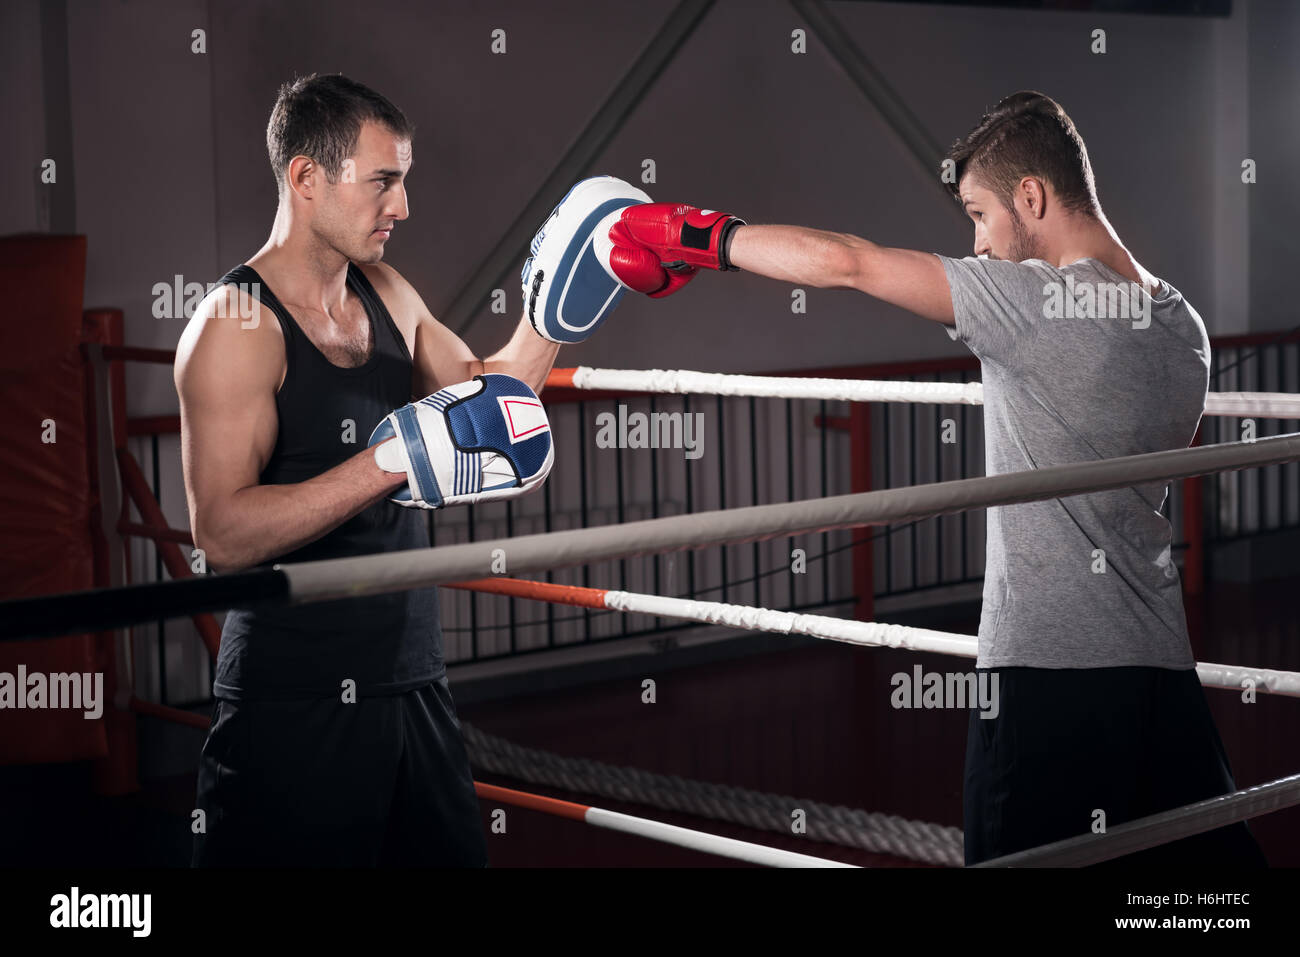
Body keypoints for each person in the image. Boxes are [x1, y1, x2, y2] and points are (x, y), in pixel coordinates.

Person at [605, 91, 1267, 867]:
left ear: (1033, 196)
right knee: (1200, 903)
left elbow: (847, 262)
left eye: (981, 215)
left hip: (1042, 677)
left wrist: (701, 237)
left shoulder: (1030, 306)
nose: (978, 244)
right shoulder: (1182, 325)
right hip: (1159, 669)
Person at [176, 73, 567, 866]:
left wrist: (565, 301)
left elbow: (485, 399)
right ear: (307, 179)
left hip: (414, 684)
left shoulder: (387, 292)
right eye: (384, 180)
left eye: (405, 181)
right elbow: (220, 533)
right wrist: (387, 462)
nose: (403, 206)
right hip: (293, 701)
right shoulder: (235, 326)